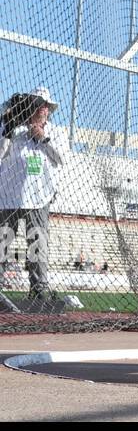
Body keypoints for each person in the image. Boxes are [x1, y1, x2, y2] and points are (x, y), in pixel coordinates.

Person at [0, 89, 68, 310]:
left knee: (37, 246)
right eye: (38, 105)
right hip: (7, 197)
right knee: (2, 243)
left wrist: (43, 138)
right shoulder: (13, 131)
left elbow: (61, 159)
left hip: (39, 198)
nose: (43, 109)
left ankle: (39, 291)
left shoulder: (56, 132)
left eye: (46, 105)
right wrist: (8, 129)